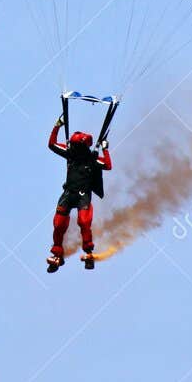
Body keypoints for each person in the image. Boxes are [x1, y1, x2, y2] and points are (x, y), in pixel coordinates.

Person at [46, 117, 112, 272]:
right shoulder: (70, 154)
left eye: (76, 146)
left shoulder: (92, 159)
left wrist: (105, 149)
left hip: (83, 195)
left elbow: (108, 165)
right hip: (69, 193)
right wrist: (57, 125)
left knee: (84, 222)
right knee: (58, 224)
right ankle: (57, 254)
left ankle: (88, 252)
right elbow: (52, 145)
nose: (73, 148)